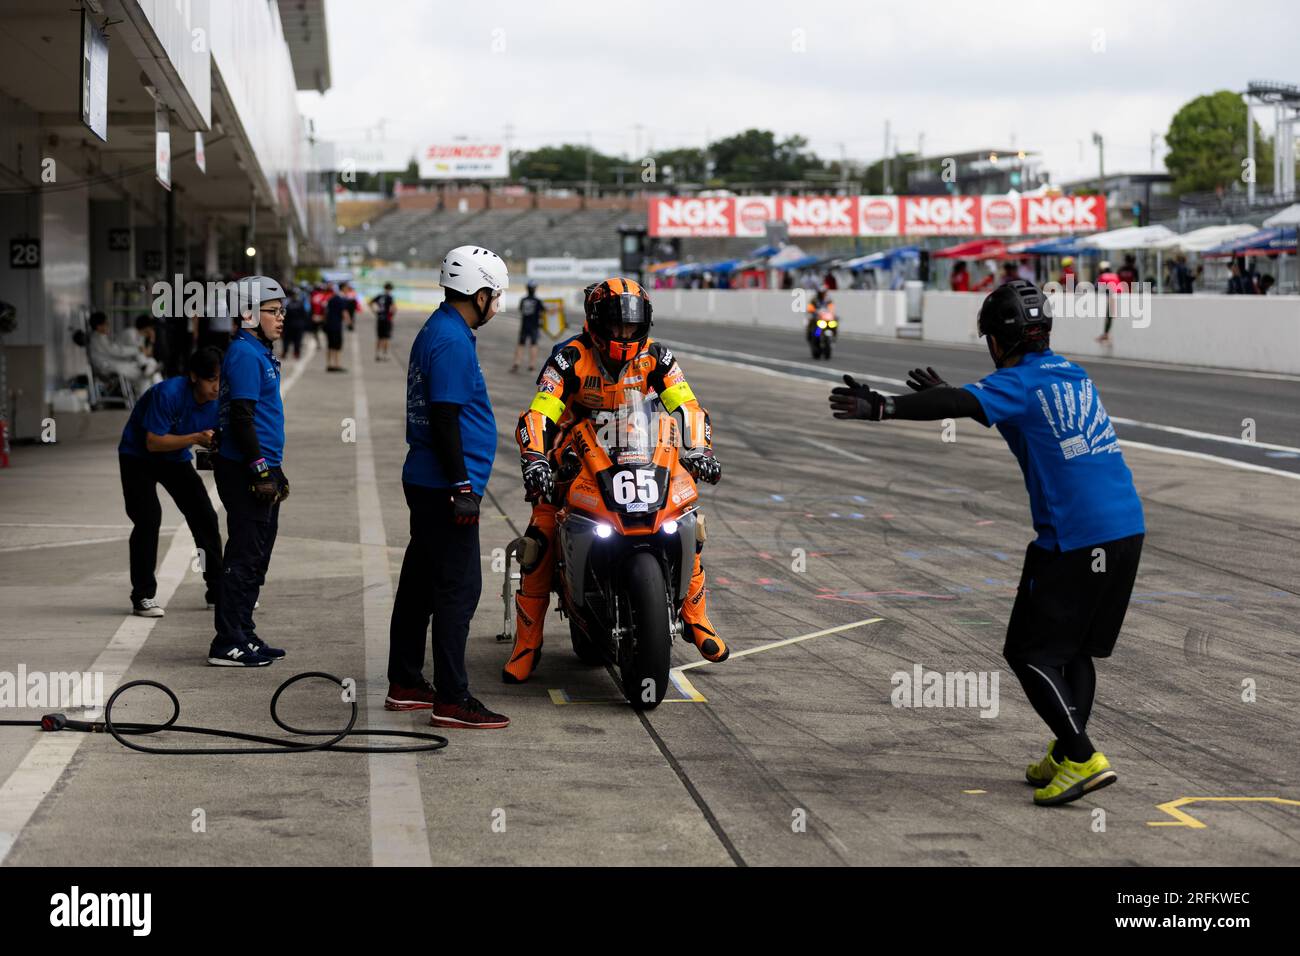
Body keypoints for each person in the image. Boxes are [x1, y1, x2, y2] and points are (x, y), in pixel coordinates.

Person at [828, 279, 1144, 807]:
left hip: (1074, 536)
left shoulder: (1017, 384)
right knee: (1076, 651)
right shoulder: (1072, 375)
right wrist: (963, 396)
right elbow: (1020, 420)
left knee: (1029, 652)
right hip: (1125, 529)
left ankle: (1083, 754)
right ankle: (1068, 756)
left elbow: (961, 402)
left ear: (1000, 339)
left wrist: (885, 408)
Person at [503, 277, 727, 685]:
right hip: (573, 459)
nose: (624, 334)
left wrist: (700, 451)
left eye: (632, 325)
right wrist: (535, 458)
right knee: (539, 539)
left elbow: (689, 406)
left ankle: (695, 616)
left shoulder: (658, 358)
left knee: (687, 517)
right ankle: (527, 643)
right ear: (594, 321)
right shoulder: (569, 358)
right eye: (615, 325)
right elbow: (539, 413)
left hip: (640, 455)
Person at [385, 245, 512, 729]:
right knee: (458, 590)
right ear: (479, 294)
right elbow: (445, 416)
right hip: (444, 486)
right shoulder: (453, 340)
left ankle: (406, 683)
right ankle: (452, 698)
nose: (496, 306)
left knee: (419, 586)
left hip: (427, 480)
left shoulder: (440, 328)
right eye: (495, 297)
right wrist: (463, 485)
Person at [208, 276, 290, 667]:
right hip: (244, 469)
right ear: (248, 314)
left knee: (258, 554)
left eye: (281, 311)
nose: (281, 318)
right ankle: (227, 641)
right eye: (273, 311)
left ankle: (244, 630)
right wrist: (260, 471)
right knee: (243, 555)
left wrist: (274, 468)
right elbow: (242, 418)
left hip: (260, 464)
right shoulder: (243, 353)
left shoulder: (258, 351)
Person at [118, 347, 225, 617]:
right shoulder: (168, 394)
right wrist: (195, 439)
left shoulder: (221, 400)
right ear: (193, 377)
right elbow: (153, 442)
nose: (217, 386)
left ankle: (217, 590)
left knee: (204, 516)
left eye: (221, 380)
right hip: (138, 457)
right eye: (211, 379)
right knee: (148, 519)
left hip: (175, 458)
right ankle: (142, 596)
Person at [88, 311, 159, 397]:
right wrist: (138, 349)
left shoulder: (99, 337)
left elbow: (117, 351)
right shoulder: (98, 338)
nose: (108, 326)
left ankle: (148, 371)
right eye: (106, 323)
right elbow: (116, 351)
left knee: (146, 372)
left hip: (113, 363)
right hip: (106, 366)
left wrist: (140, 349)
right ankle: (148, 372)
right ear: (99, 326)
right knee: (144, 374)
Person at [510, 280, 544, 374]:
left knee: (521, 344)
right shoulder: (538, 301)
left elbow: (521, 310)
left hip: (524, 326)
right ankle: (531, 365)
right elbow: (544, 312)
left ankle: (517, 363)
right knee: (533, 345)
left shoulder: (523, 300)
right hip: (534, 326)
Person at [323, 283, 356, 372]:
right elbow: (344, 312)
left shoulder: (332, 298)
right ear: (343, 289)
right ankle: (337, 364)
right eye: (346, 288)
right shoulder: (341, 299)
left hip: (329, 324)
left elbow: (326, 311)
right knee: (337, 345)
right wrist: (350, 323)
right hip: (336, 325)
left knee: (330, 345)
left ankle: (329, 364)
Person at [1094, 260, 1123, 343]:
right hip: (1119, 296)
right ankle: (1106, 334)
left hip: (1110, 296)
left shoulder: (1102, 276)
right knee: (1110, 317)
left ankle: (1105, 334)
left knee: (1108, 317)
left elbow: (1097, 287)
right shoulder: (1115, 275)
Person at [370, 282, 397, 361]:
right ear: (390, 289)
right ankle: (385, 355)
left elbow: (370, 303)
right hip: (387, 319)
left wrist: (375, 311)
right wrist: (392, 316)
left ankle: (377, 354)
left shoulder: (379, 296)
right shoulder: (390, 297)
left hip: (380, 318)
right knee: (386, 338)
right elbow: (393, 308)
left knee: (379, 337)